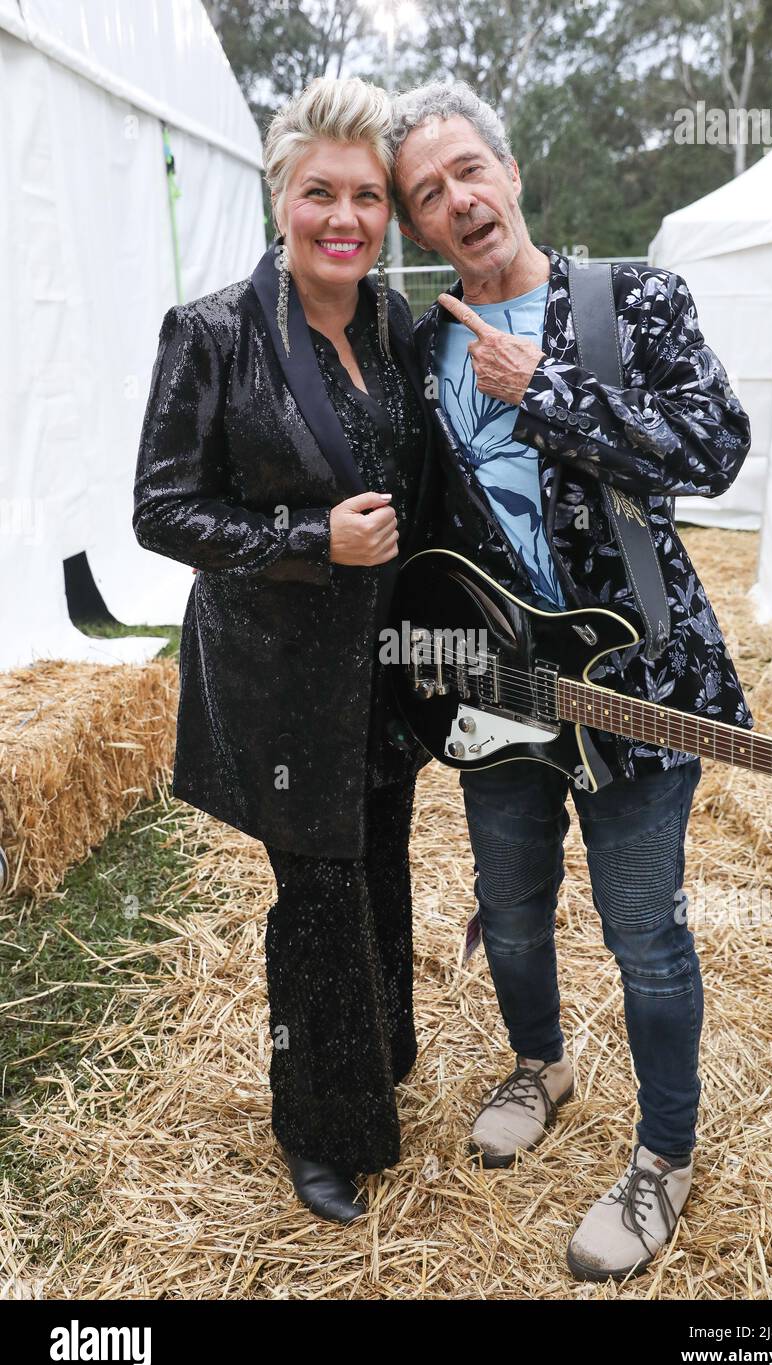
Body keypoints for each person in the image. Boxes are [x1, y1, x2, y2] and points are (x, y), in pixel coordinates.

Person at [389, 80, 753, 1280]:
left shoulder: (627, 299)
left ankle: (662, 1157)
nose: (456, 201)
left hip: (635, 683)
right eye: (426, 195)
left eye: (465, 171)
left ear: (508, 169)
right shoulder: (421, 342)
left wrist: (542, 391)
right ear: (419, 226)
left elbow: (713, 447)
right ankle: (539, 1061)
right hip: (501, 693)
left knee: (643, 934)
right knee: (507, 909)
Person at [133, 76, 438, 1225]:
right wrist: (313, 539)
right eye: (321, 192)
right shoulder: (210, 334)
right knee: (314, 901)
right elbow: (161, 509)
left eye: (366, 197)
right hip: (274, 684)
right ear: (281, 197)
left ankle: (383, 1060)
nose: (344, 218)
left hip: (383, 674)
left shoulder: (392, 325)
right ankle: (316, 1123)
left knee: (385, 868)